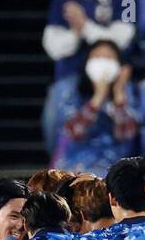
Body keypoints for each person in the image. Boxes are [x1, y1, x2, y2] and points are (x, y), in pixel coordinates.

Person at [42, 0, 134, 148]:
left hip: (112, 76)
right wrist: (76, 33)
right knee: (53, 117)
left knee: (126, 119)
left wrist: (84, 26)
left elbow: (123, 37)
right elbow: (53, 46)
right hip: (71, 75)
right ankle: (59, 166)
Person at [47, 40, 139, 173]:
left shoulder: (126, 89)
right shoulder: (71, 89)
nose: (102, 63)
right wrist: (98, 97)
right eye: (96, 57)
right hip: (73, 160)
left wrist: (118, 96)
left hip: (113, 162)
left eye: (108, 57)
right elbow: (72, 132)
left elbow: (126, 135)